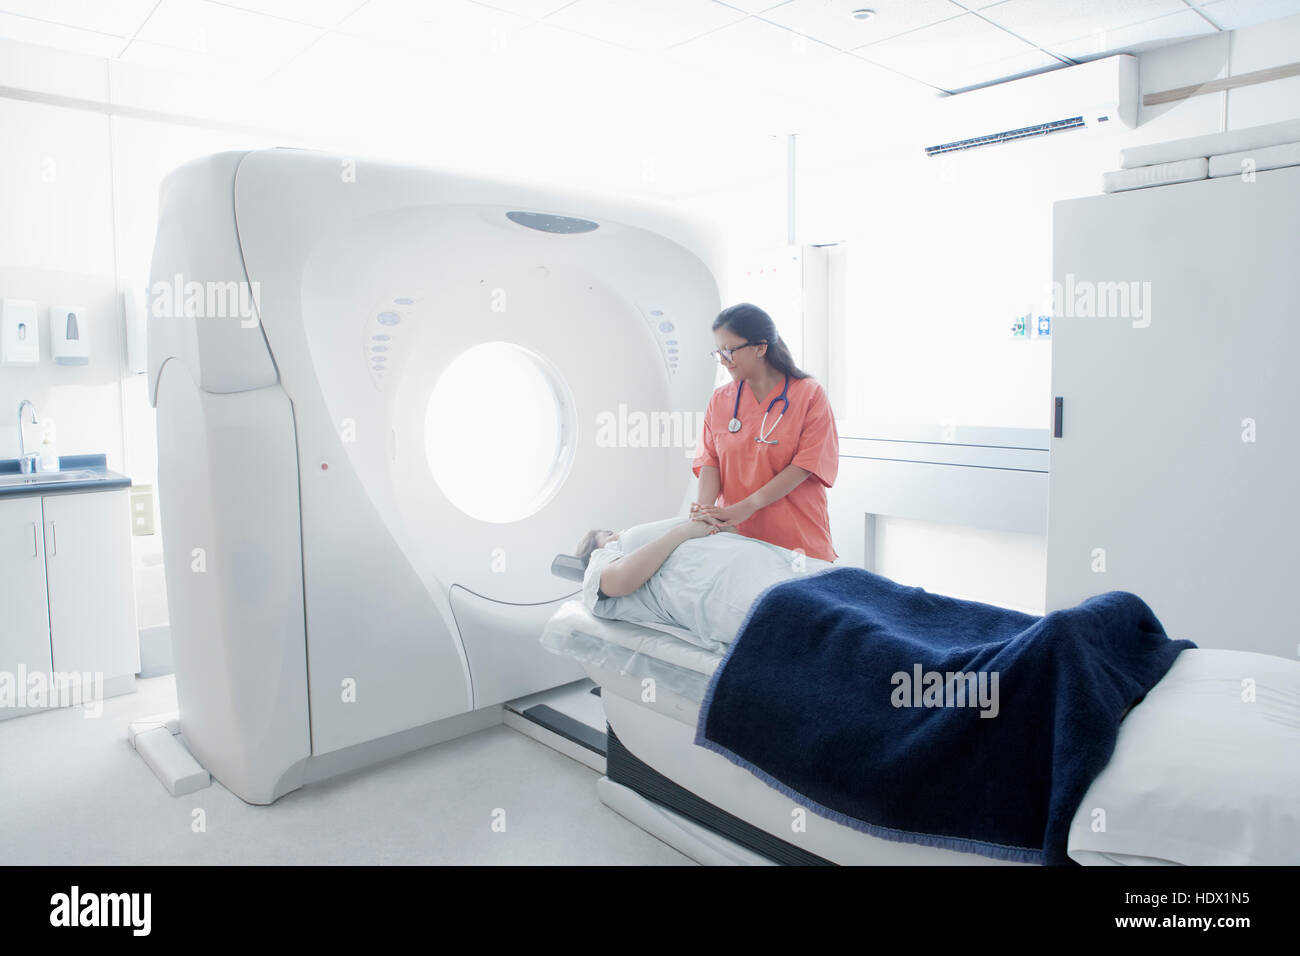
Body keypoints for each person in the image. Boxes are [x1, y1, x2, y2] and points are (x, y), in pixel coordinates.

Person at [692, 303, 840, 561]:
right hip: (736, 535)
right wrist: (704, 513)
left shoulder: (808, 394)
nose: (724, 360)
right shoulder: (721, 399)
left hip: (796, 538)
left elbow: (806, 464)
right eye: (719, 351)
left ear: (760, 347)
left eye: (729, 350)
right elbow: (710, 460)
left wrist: (747, 507)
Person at [573, 516, 833, 648]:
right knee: (815, 621)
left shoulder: (641, 540)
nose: (615, 532)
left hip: (758, 561)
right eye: (606, 535)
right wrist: (683, 531)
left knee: (836, 596)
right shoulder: (603, 558)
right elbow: (617, 582)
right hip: (723, 581)